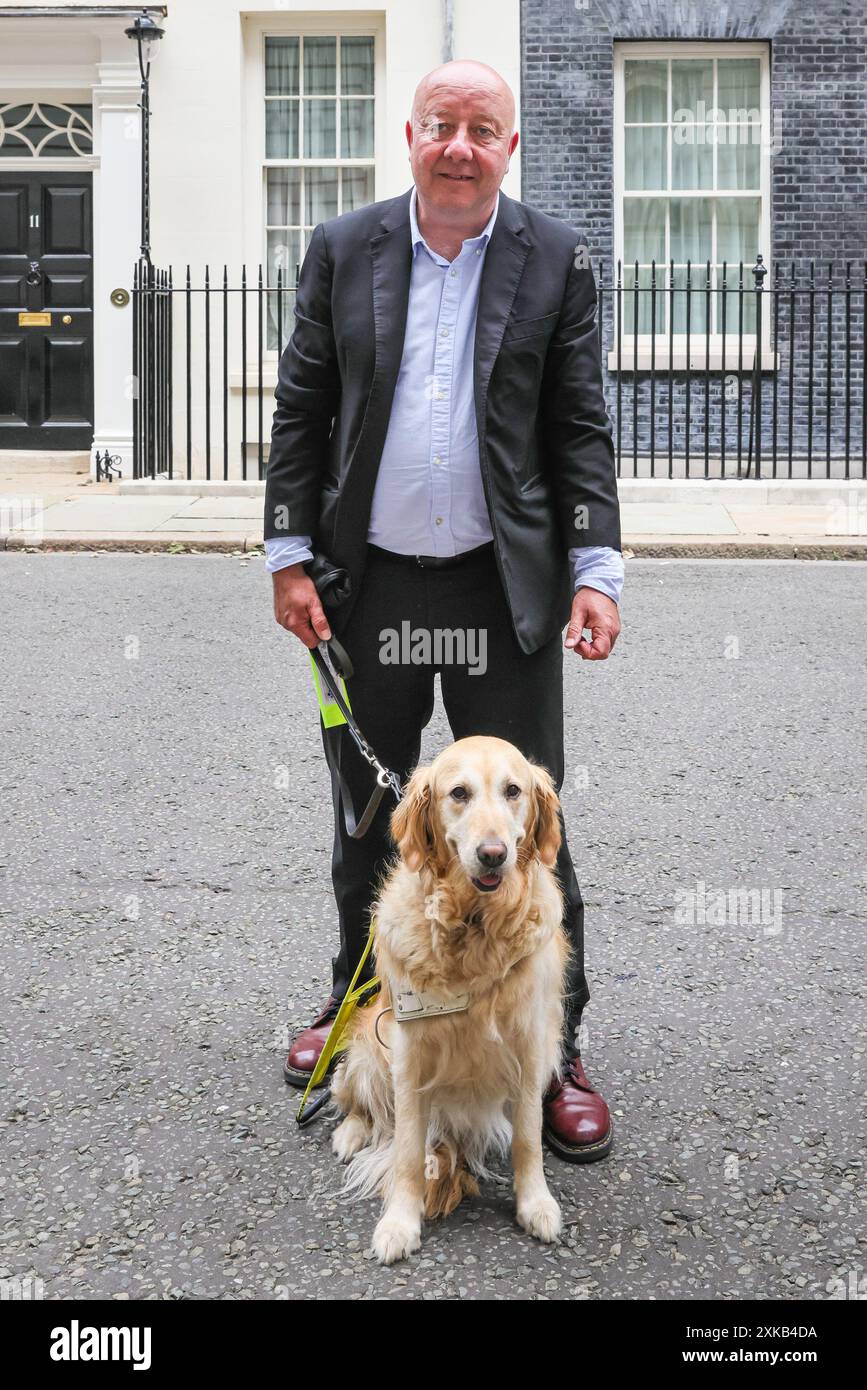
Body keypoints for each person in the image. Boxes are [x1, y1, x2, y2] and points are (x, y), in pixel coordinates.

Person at [264, 60, 623, 1163]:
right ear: (408, 135)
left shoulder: (554, 259)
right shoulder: (343, 248)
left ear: (508, 146)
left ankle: (552, 1047)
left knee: (518, 826)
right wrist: (288, 554)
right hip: (361, 584)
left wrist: (597, 565)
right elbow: (305, 405)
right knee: (369, 819)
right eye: (442, 127)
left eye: (483, 129)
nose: (460, 146)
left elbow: (577, 425)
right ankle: (361, 1007)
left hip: (497, 584)